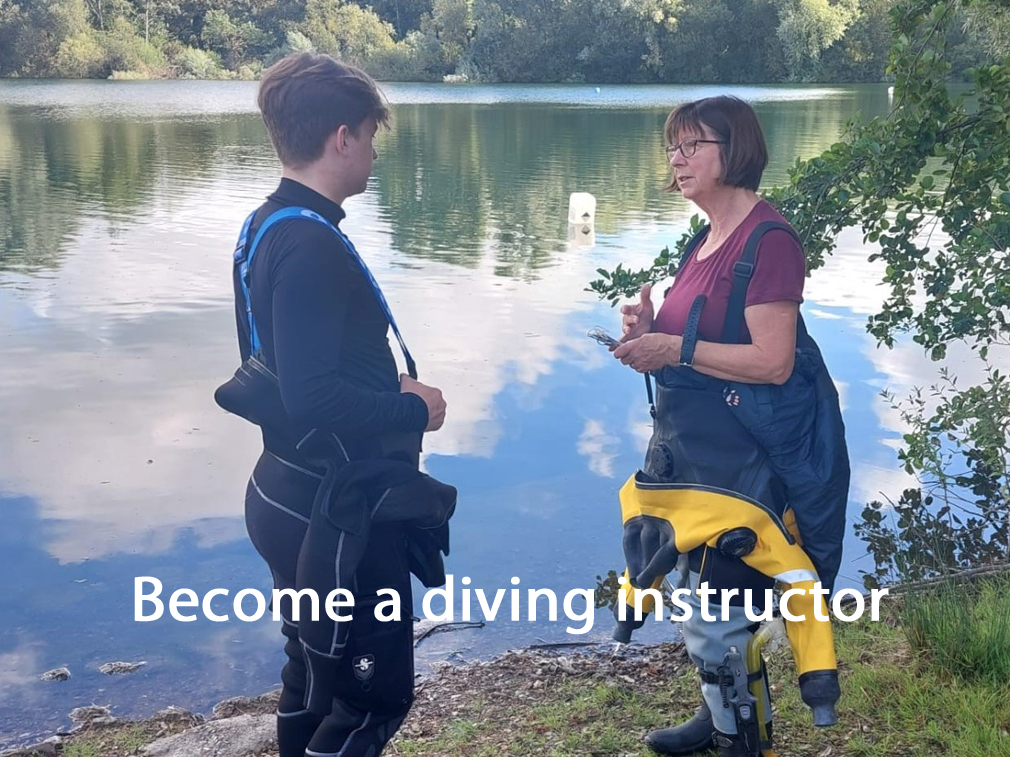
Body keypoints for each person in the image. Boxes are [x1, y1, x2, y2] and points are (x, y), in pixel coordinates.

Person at [222, 53, 447, 757]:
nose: (375, 155)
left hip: (288, 488)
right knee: (372, 696)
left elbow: (294, 374)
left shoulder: (267, 222)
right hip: (336, 510)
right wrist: (414, 409)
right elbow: (311, 392)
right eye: (371, 138)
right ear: (342, 137)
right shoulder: (309, 243)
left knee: (313, 676)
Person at [611, 96, 848, 756]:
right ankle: (722, 715)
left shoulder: (769, 241)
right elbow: (695, 345)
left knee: (720, 612)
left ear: (733, 149)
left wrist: (674, 349)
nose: (677, 159)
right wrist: (648, 335)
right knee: (708, 606)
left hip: (752, 467)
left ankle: (742, 739)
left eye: (692, 145)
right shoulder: (703, 240)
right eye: (672, 148)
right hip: (699, 463)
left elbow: (771, 363)